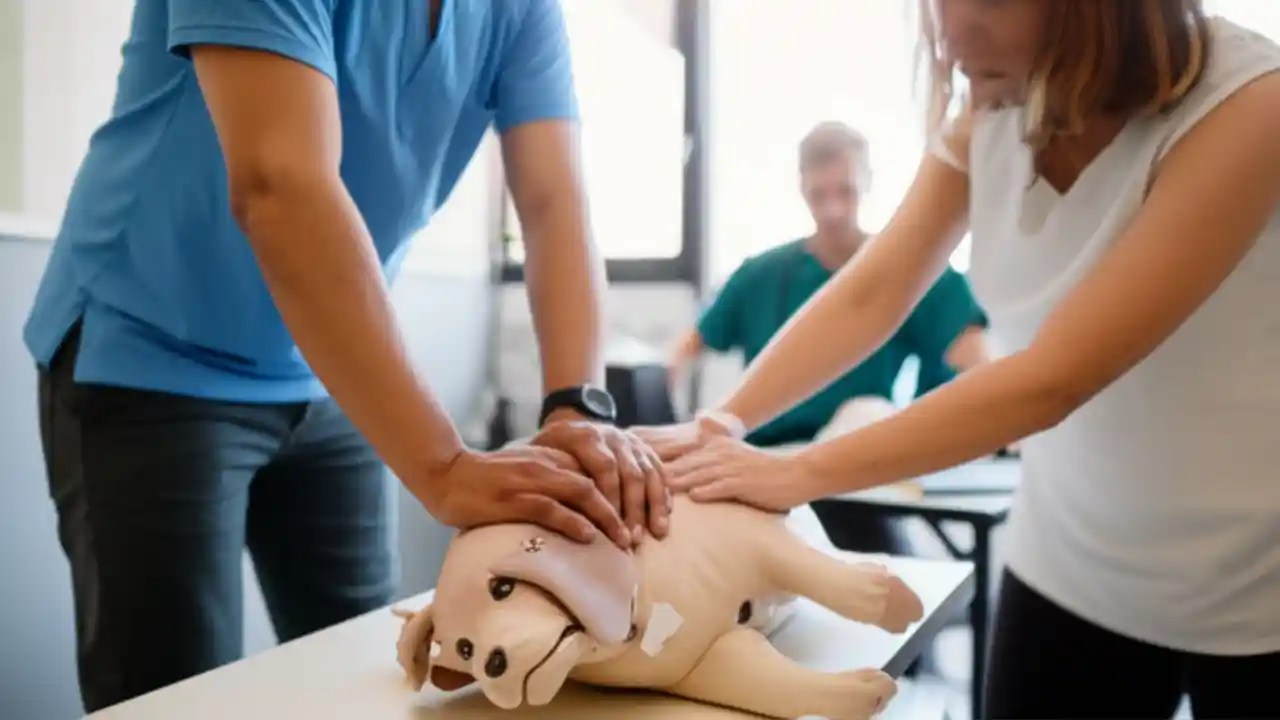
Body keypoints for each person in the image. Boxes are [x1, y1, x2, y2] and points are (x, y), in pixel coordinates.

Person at [637, 1, 1280, 717]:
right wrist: (725, 422)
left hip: (1254, 588)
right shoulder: (990, 116)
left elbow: (1054, 377)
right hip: (1072, 565)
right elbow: (872, 295)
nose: (951, 35)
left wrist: (794, 473)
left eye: (992, 2)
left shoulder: (1249, 104)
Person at [25, 0, 668, 712]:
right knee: (175, 697)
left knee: (377, 674)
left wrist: (576, 405)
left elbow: (555, 203)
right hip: (151, 354)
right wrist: (444, 469)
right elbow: (279, 184)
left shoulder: (519, 11)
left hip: (328, 371)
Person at [667, 121, 992, 553]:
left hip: (858, 473)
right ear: (801, 188)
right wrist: (682, 426)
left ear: (869, 182)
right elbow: (684, 351)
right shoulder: (760, 275)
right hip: (766, 463)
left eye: (847, 192)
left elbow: (978, 363)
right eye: (820, 195)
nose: (834, 210)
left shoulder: (911, 274)